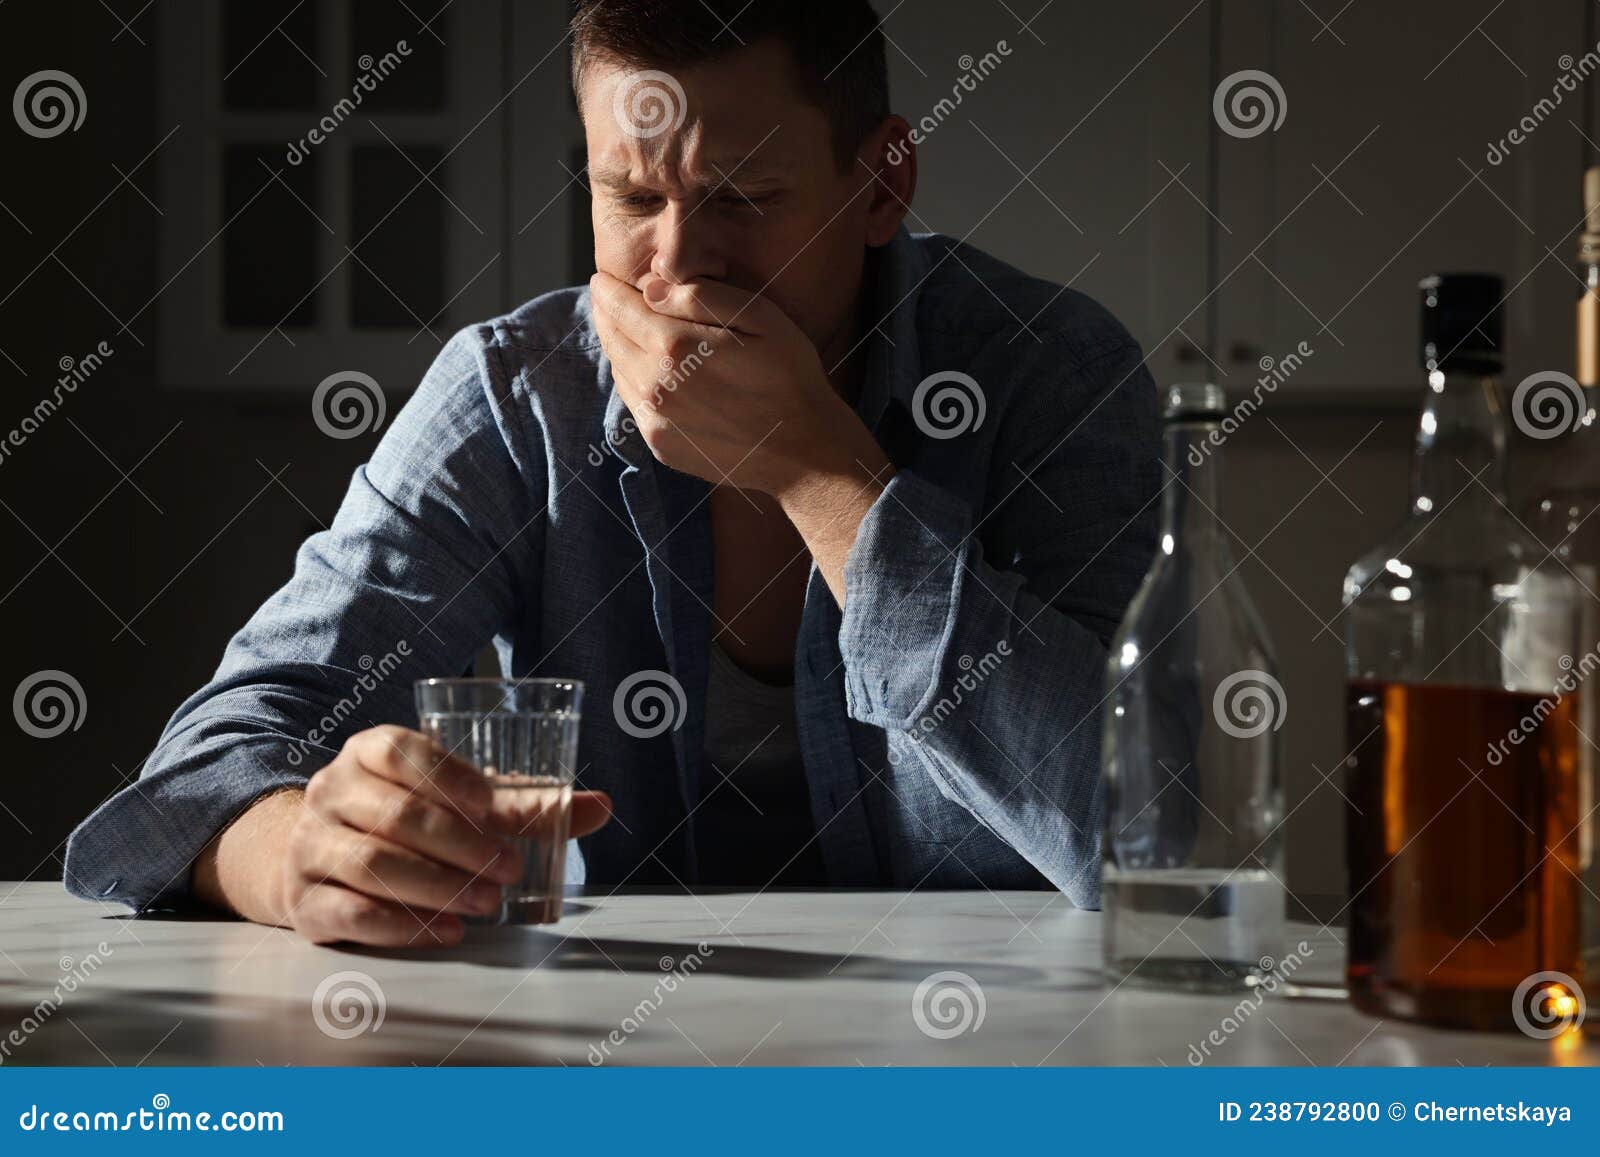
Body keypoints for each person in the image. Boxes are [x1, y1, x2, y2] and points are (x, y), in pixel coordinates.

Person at [65, 0, 1159, 947]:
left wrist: (825, 476)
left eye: (741, 198)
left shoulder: (1053, 371)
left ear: (882, 184)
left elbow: (1148, 832)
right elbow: (214, 758)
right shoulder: (517, 397)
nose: (676, 267)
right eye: (632, 201)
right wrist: (297, 852)